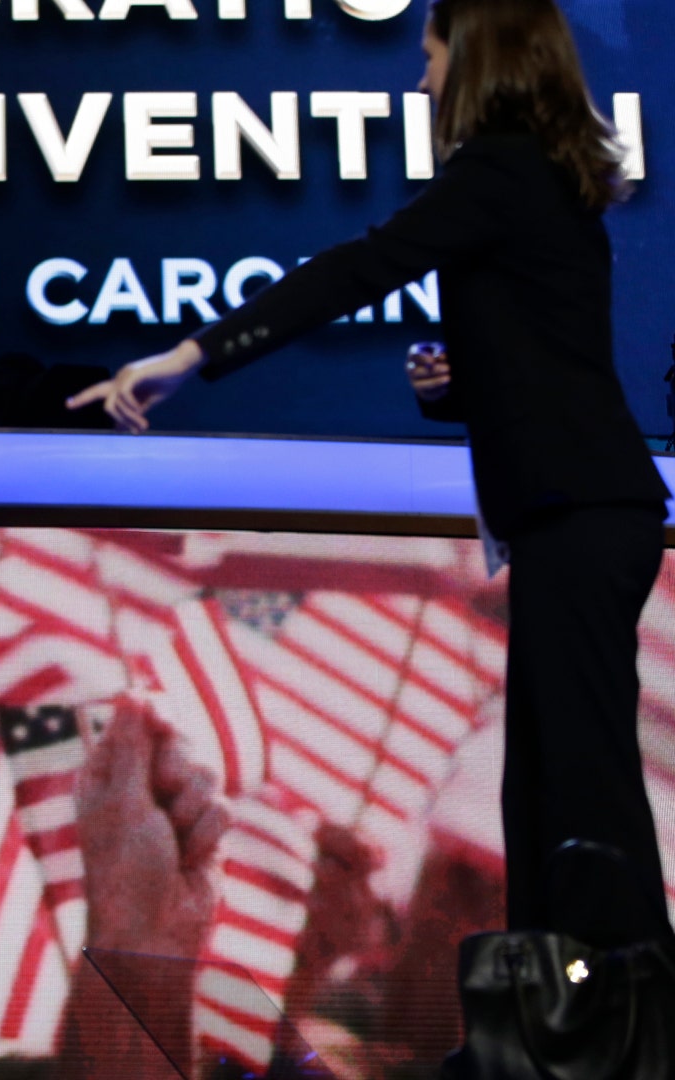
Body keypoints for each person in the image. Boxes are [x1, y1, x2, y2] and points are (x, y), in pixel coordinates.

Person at [68, 0, 674, 952]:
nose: (420, 78)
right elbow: (555, 366)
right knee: (551, 773)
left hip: (580, 512)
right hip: (585, 506)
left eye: (432, 56)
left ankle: (616, 995)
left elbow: (357, 269)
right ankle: (565, 987)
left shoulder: (501, 169)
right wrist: (457, 388)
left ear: (480, 62)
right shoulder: (546, 182)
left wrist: (190, 354)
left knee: (577, 776)